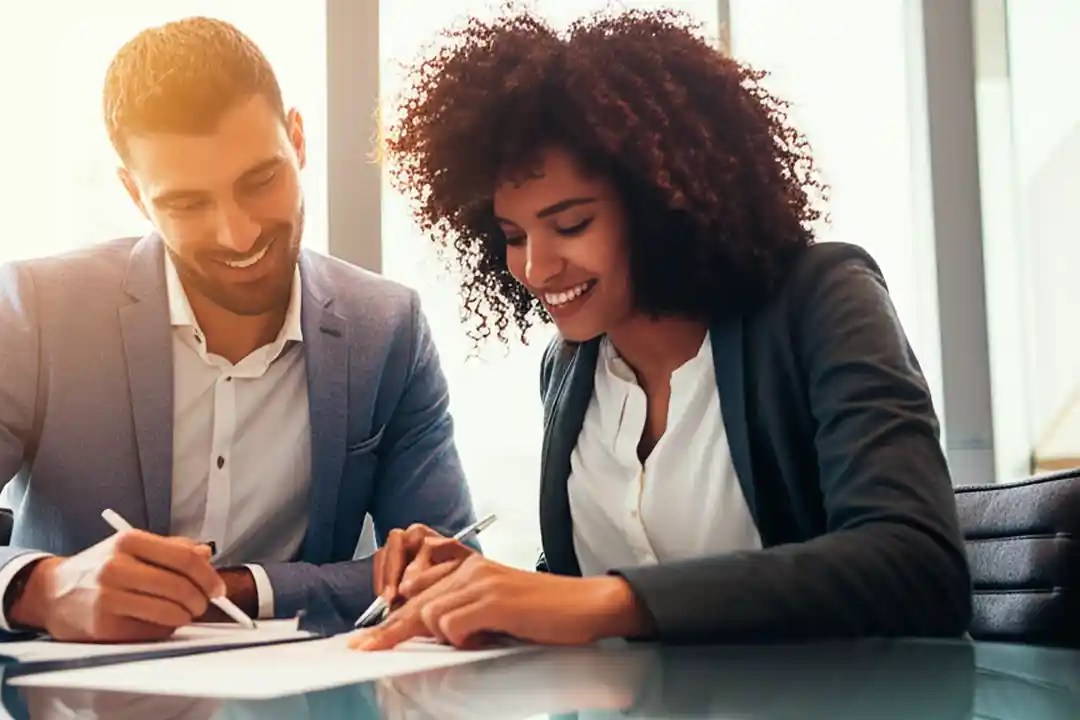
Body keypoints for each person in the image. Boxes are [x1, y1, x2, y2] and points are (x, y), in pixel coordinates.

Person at [0, 17, 475, 643]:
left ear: (297, 140)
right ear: (134, 194)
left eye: (261, 180)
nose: (236, 233)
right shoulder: (41, 314)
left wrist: (238, 591)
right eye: (186, 202)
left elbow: (450, 569)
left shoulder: (386, 328)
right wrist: (43, 589)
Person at [353, 8, 970, 650]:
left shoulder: (820, 300)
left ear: (657, 206)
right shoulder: (569, 368)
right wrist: (486, 591)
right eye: (513, 236)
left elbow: (918, 565)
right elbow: (579, 590)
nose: (535, 267)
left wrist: (605, 601)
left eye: (570, 226)